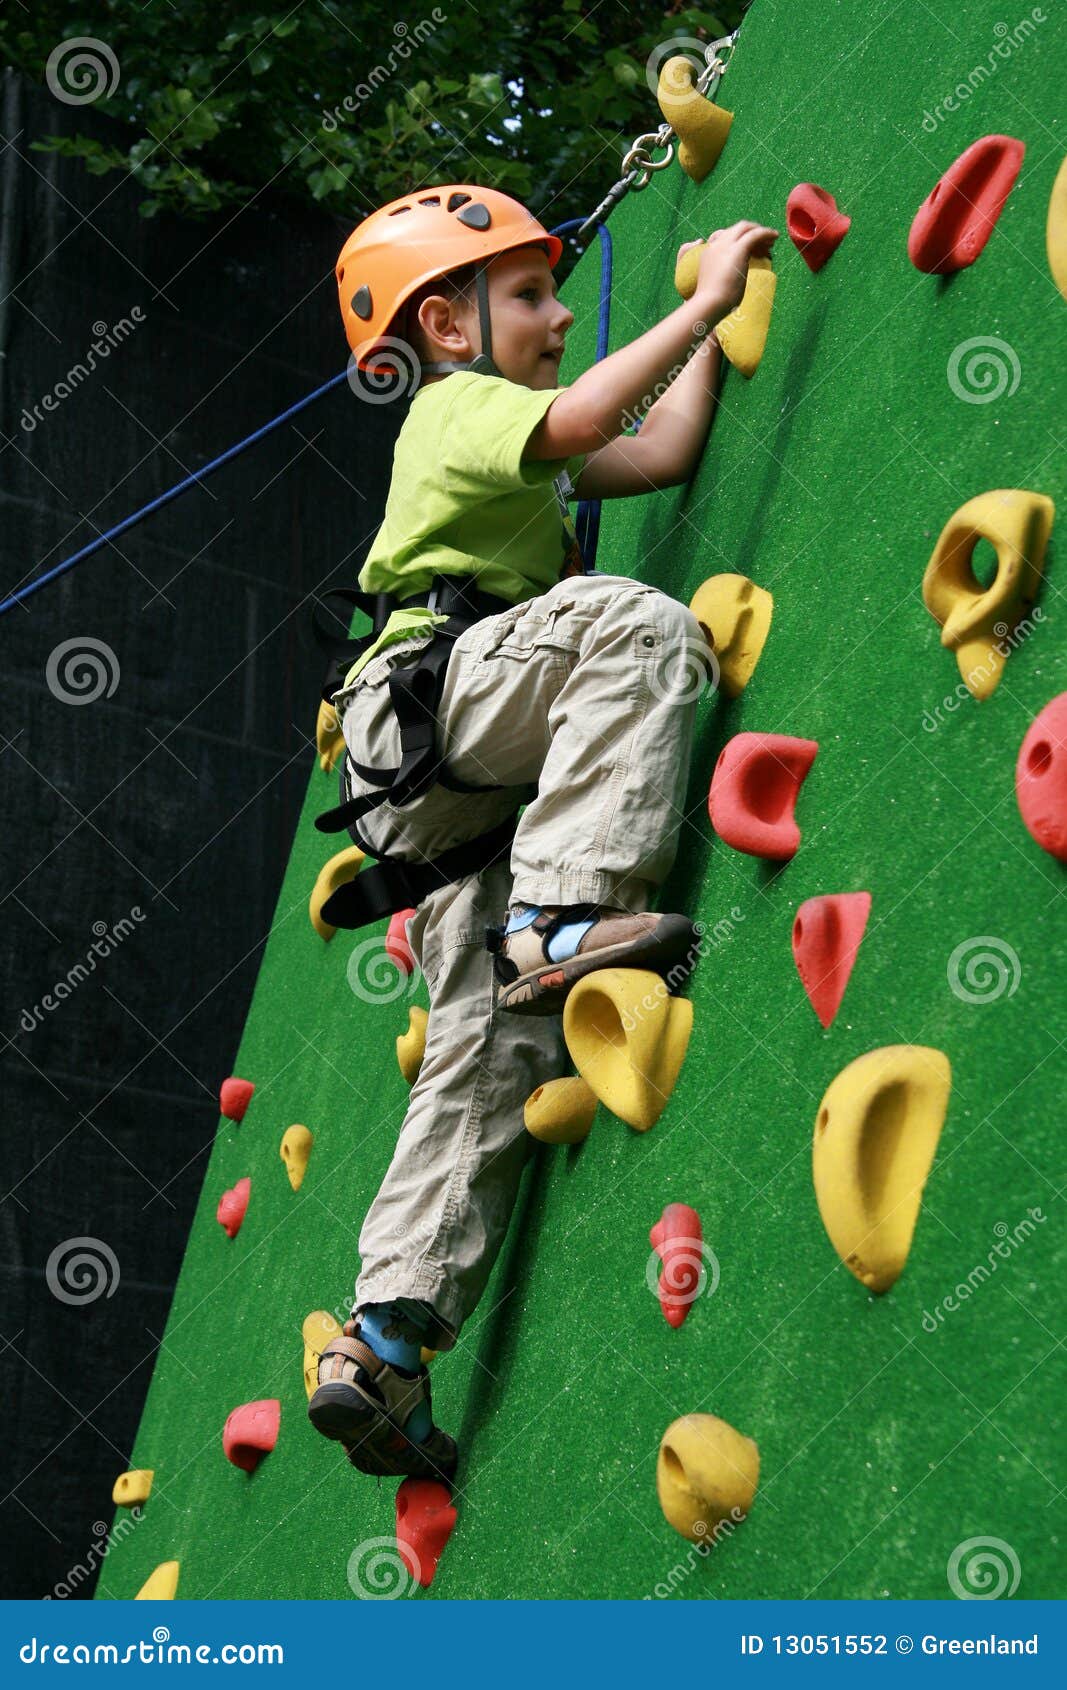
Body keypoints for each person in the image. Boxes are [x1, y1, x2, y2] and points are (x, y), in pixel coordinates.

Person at [308, 185, 779, 1484]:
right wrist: (702, 299)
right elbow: (581, 421)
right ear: (447, 324)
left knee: (487, 1039)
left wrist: (709, 345)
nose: (562, 309)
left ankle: (387, 1344)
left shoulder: (504, 439)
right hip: (436, 706)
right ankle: (567, 915)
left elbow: (656, 450)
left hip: (447, 785)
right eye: (529, 295)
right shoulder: (450, 408)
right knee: (636, 625)